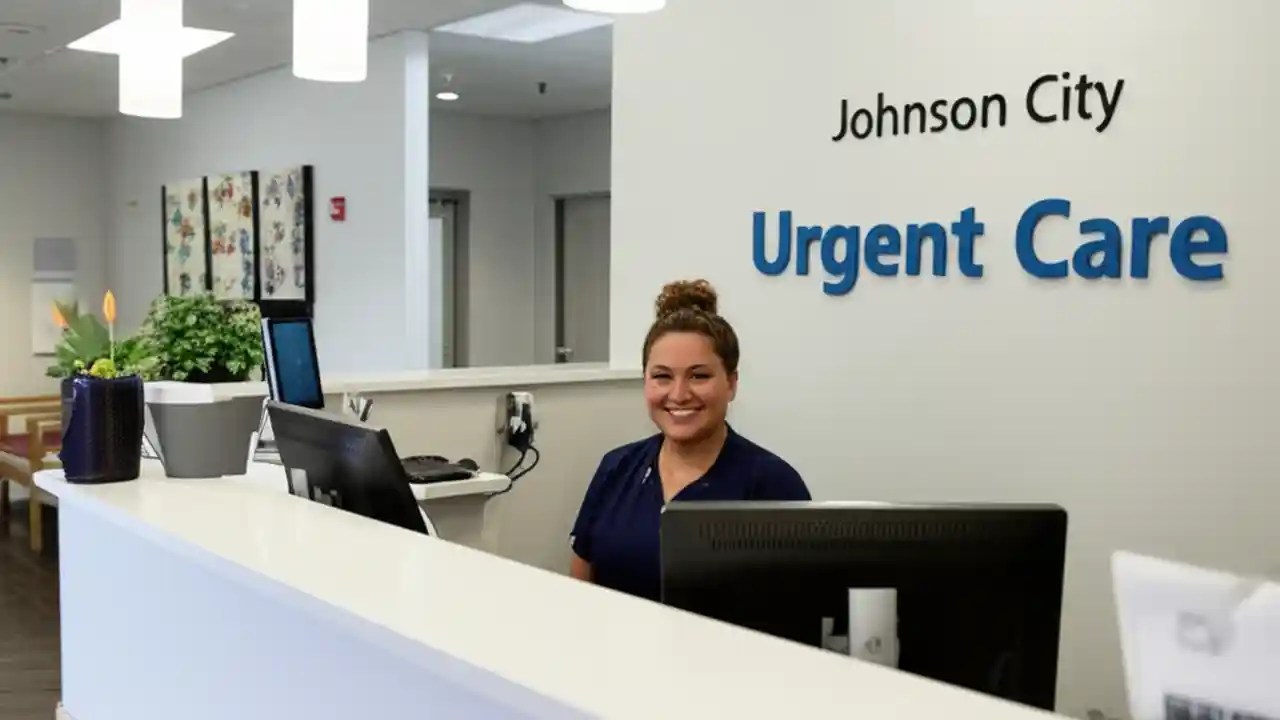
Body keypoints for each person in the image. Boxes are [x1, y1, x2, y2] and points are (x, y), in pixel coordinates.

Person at [569, 279, 811, 601]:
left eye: (699, 376)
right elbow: (581, 585)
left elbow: (801, 609)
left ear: (731, 382)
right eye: (662, 376)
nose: (679, 395)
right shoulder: (617, 468)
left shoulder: (772, 485)